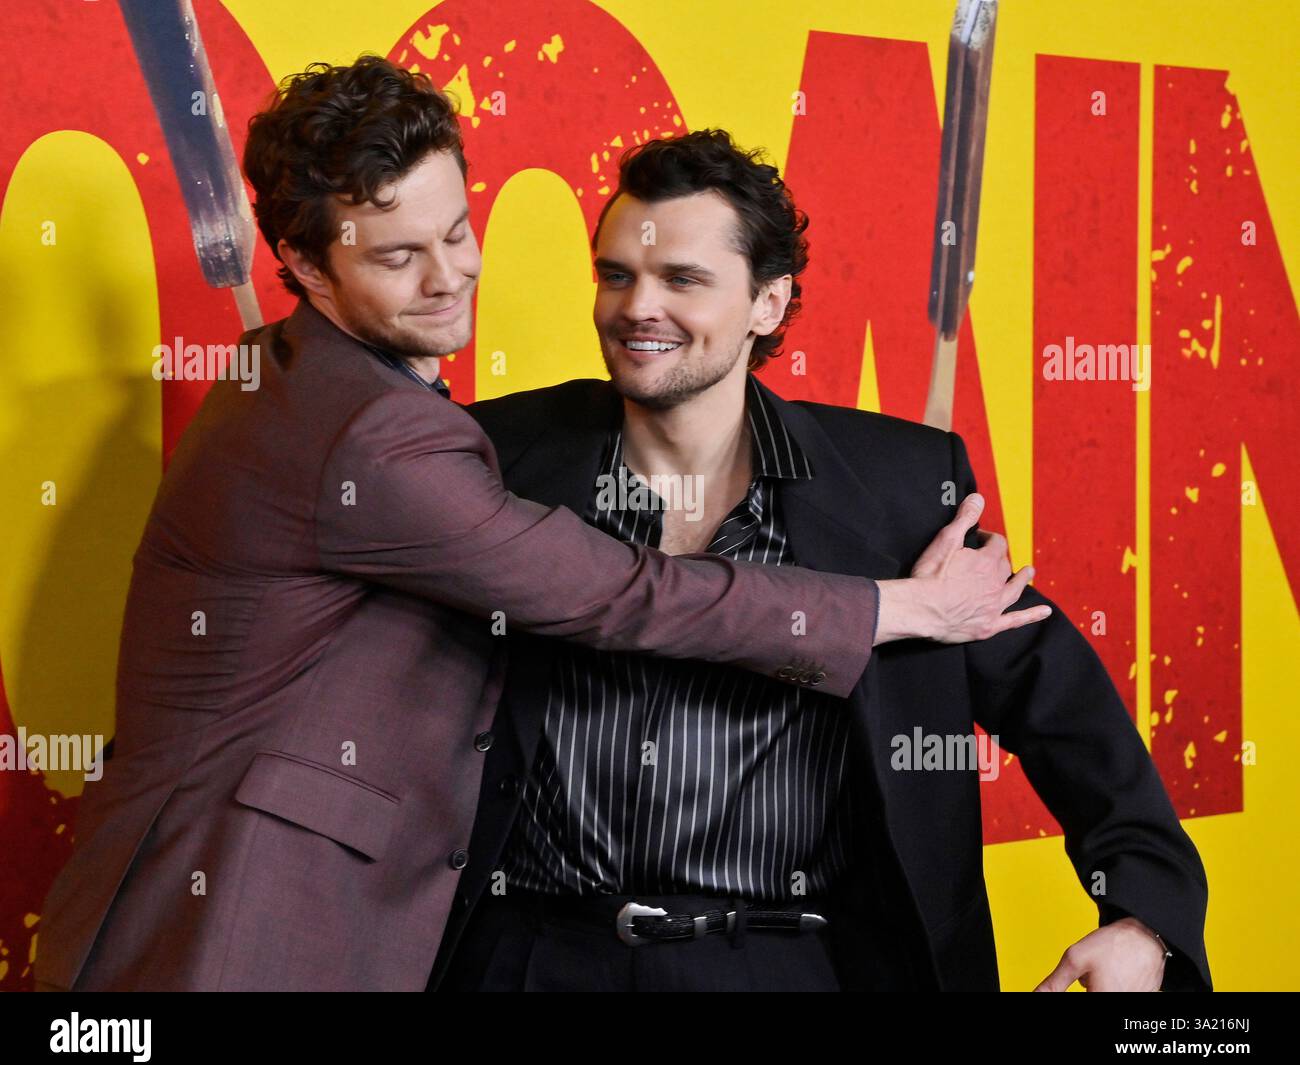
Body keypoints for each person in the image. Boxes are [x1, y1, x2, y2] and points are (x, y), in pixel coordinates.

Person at [32, 60, 1042, 992]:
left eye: (457, 231)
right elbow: (614, 592)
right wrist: (894, 606)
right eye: (397, 255)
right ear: (302, 260)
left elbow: (1048, 690)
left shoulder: (312, 380)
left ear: (766, 303)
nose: (448, 275)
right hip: (242, 923)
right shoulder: (371, 431)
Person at [431, 129, 1212, 993]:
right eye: (616, 275)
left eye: (681, 279)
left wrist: (1144, 919)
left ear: (768, 302)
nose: (636, 306)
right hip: (526, 958)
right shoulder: (495, 456)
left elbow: (1062, 705)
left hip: (790, 964)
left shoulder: (896, 487)